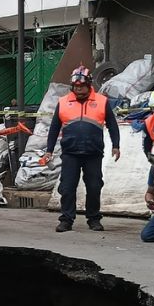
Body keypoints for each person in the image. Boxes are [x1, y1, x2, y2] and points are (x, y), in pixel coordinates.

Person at [42, 65, 121, 232]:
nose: (78, 90)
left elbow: (113, 125)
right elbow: (54, 128)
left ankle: (93, 219)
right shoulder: (63, 102)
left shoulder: (101, 101)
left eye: (82, 87)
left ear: (89, 84)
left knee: (94, 186)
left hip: (93, 153)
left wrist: (116, 145)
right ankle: (66, 219)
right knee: (67, 187)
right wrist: (49, 150)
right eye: (76, 87)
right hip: (70, 153)